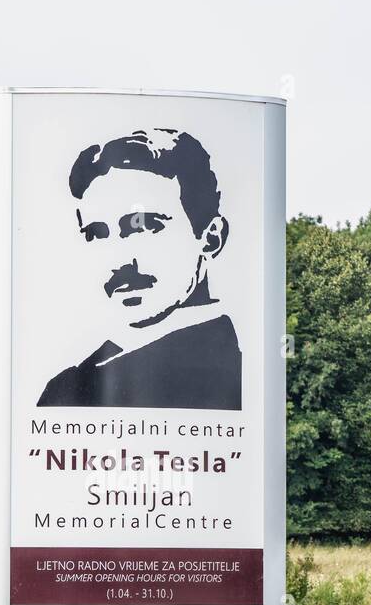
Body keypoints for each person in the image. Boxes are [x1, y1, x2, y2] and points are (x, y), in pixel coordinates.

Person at [37, 127, 241, 410]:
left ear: (211, 238)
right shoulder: (69, 385)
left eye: (143, 226)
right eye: (96, 233)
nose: (118, 261)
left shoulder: (239, 371)